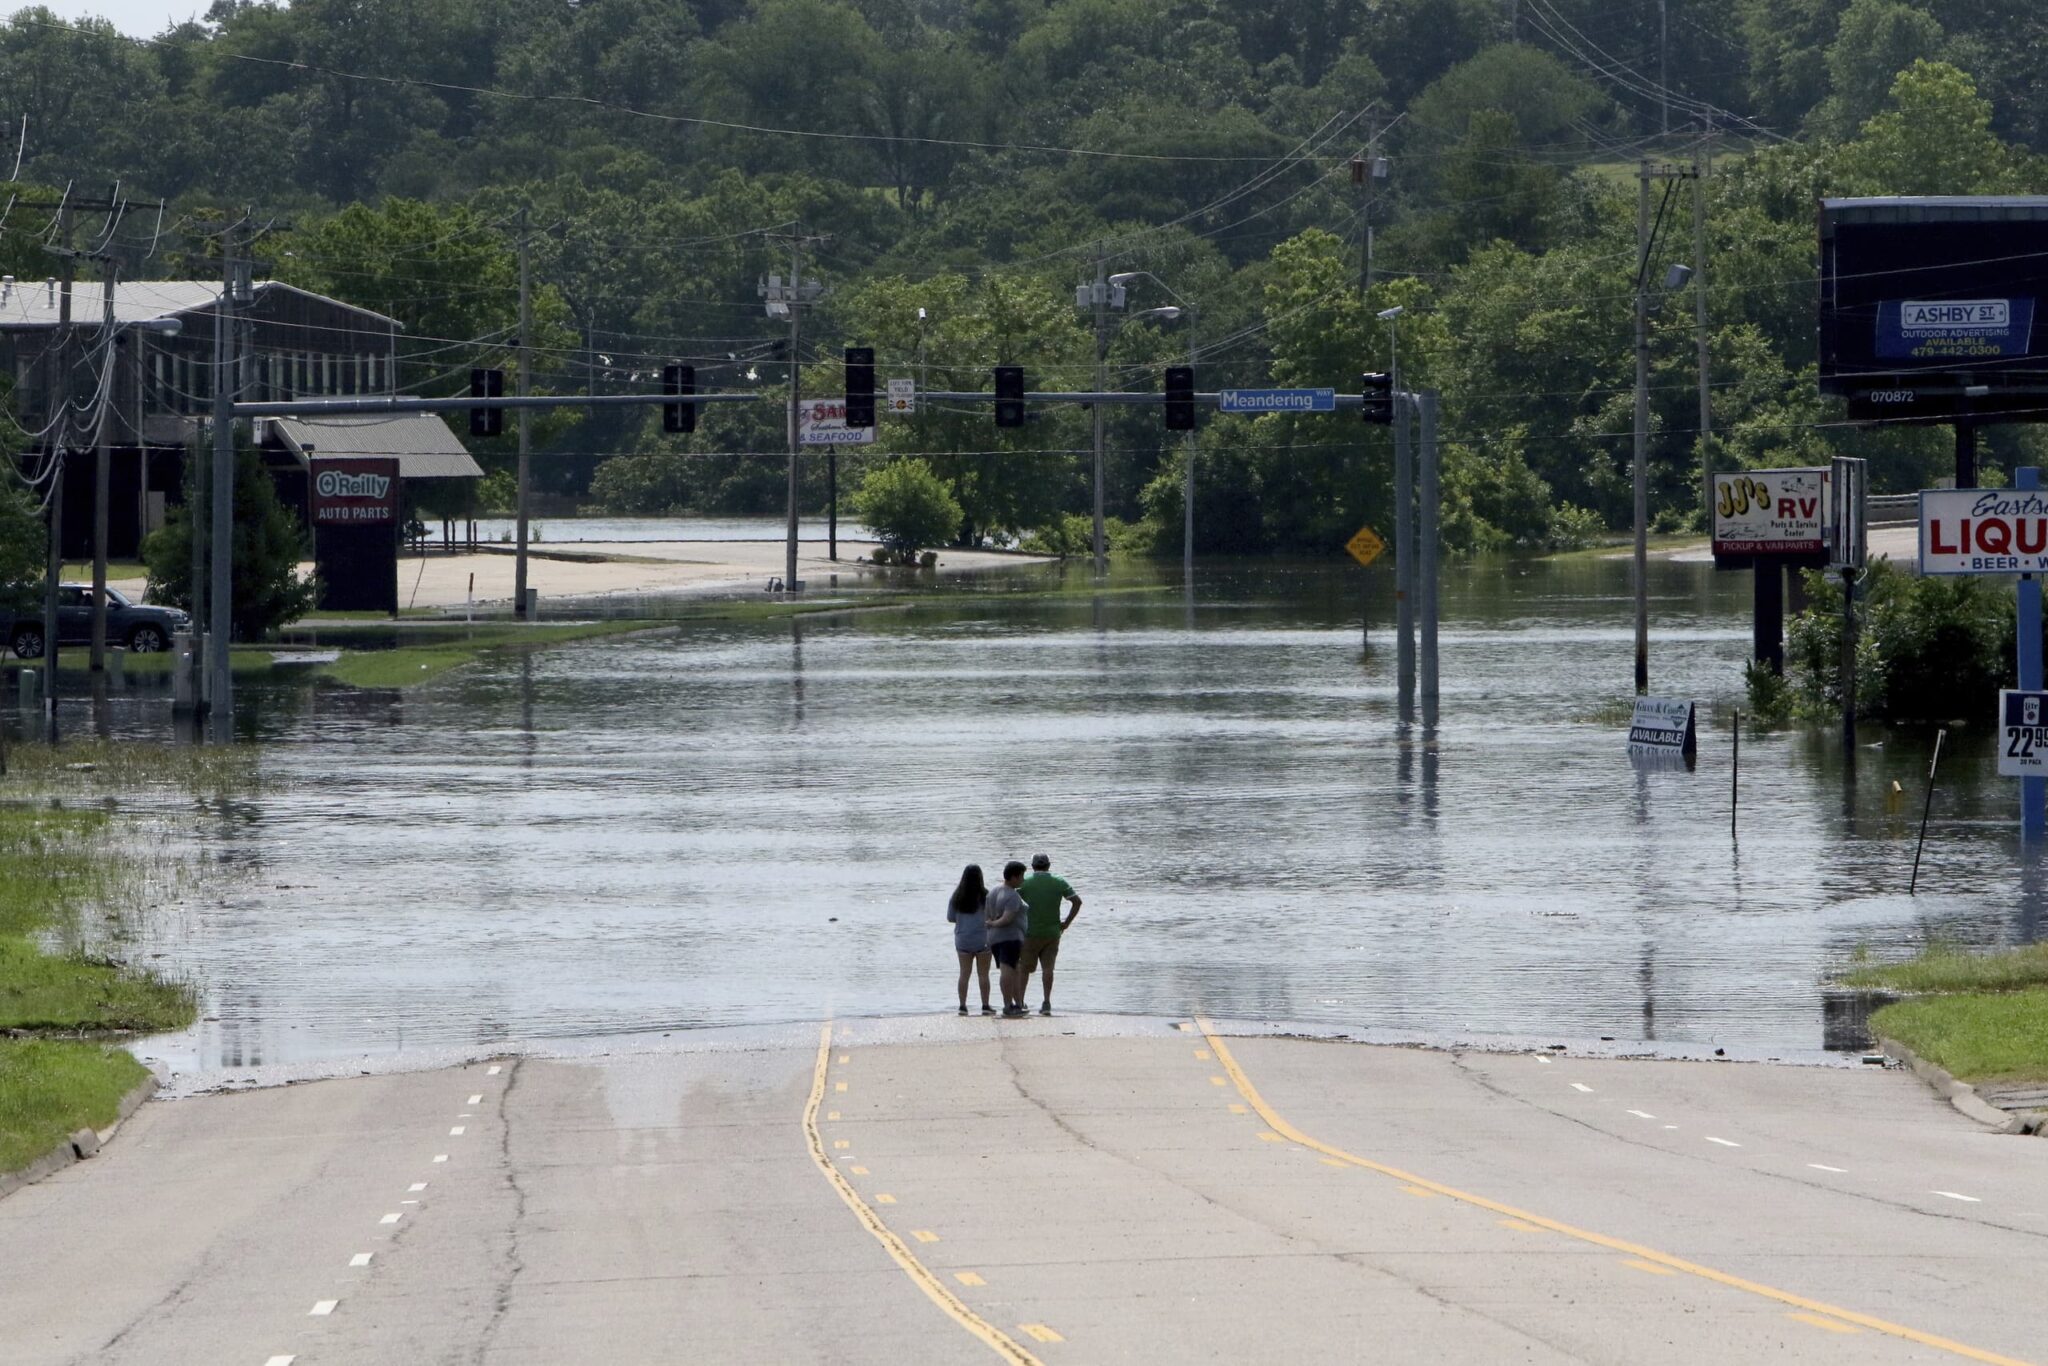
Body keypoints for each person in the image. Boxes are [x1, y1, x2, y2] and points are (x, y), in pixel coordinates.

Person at [1017, 853, 1082, 1015]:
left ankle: (1020, 1002)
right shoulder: (1059, 881)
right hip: (1052, 932)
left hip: (1029, 932)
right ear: (1048, 865)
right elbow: (1077, 901)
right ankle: (1046, 1002)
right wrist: (1066, 923)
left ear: (1032, 866)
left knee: (1024, 968)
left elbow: (1012, 901)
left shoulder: (1025, 883)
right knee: (1048, 968)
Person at [983, 860, 1030, 1016]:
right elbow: (1007, 919)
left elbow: (987, 914)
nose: (1023, 879)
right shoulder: (1012, 896)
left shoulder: (993, 892)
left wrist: (990, 924)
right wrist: (994, 923)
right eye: (1021, 876)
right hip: (1009, 938)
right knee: (1008, 970)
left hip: (995, 939)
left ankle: (1017, 1003)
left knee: (1012, 969)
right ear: (1013, 877)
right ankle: (1008, 1005)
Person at [947, 864, 995, 1016]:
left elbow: (950, 918)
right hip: (983, 939)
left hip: (963, 940)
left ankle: (962, 1006)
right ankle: (985, 1005)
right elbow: (993, 916)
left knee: (964, 974)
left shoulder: (957, 896)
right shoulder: (987, 896)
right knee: (983, 974)